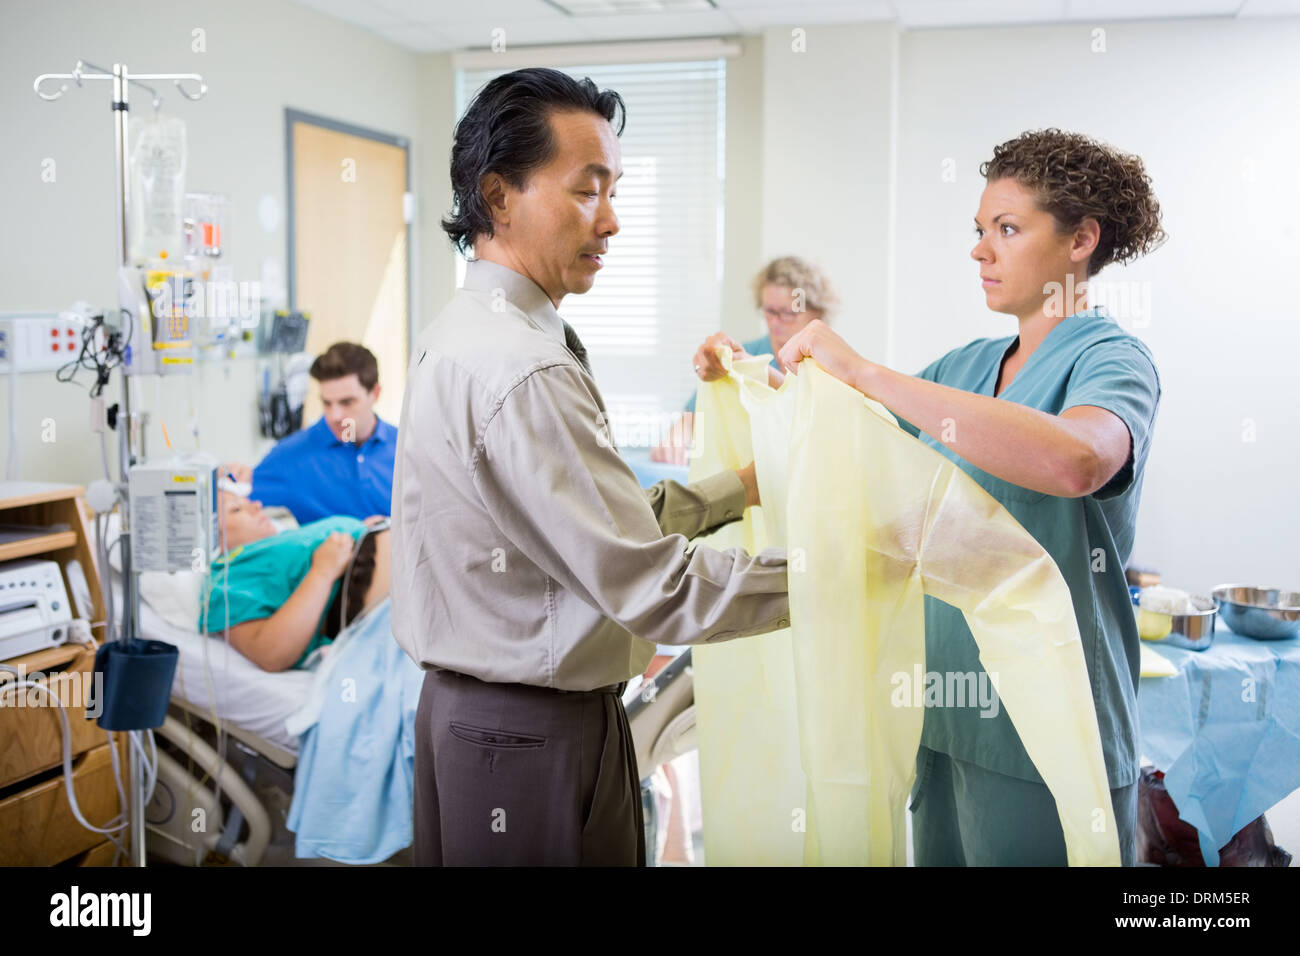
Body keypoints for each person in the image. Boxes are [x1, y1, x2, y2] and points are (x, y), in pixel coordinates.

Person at [695, 128, 1165, 866]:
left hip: (1045, 724)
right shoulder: (968, 365)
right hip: (943, 712)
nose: (980, 250)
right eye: (979, 231)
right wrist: (740, 387)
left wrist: (869, 373)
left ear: (1082, 241)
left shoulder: (1112, 359)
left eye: (1007, 229)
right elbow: (838, 459)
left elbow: (1079, 460)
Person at [391, 67, 791, 867]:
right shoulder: (523, 368)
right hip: (532, 736)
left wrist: (735, 491)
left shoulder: (467, 329)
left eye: (613, 191)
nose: (611, 222)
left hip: (473, 722)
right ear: (498, 197)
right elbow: (653, 586)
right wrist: (847, 570)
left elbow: (579, 525)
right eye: (587, 191)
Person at [650, 256, 838, 464]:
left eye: (787, 313)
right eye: (769, 311)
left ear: (816, 312)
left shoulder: (834, 366)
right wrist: (677, 437)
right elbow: (695, 413)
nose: (775, 322)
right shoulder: (745, 355)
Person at [201, 493, 390, 672]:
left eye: (246, 500)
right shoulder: (225, 578)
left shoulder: (281, 540)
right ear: (208, 536)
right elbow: (269, 653)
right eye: (236, 509)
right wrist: (322, 572)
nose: (256, 505)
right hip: (368, 588)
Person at [222, 342, 396, 525]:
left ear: (375, 393)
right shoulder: (291, 456)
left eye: (347, 403)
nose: (335, 416)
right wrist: (223, 478)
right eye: (327, 403)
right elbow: (229, 498)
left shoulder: (406, 449)